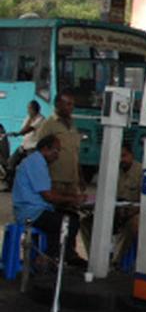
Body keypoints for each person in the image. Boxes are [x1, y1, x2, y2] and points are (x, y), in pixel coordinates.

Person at [12, 135, 85, 265]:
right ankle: (50, 257)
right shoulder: (37, 163)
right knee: (70, 221)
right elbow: (49, 196)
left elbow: (48, 190)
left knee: (67, 216)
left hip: (33, 209)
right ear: (45, 148)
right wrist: (72, 199)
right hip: (31, 213)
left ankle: (57, 254)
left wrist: (71, 197)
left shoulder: (35, 161)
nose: (57, 155)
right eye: (55, 151)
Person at [34, 92, 83, 195]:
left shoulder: (73, 125)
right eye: (68, 104)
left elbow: (75, 152)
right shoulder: (49, 124)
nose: (71, 107)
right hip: (56, 180)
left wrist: (80, 177)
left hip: (73, 180)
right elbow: (40, 152)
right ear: (58, 104)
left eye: (73, 104)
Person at [111, 144, 143, 265]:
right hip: (116, 211)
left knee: (132, 226)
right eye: (118, 156)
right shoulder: (113, 170)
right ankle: (97, 258)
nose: (121, 160)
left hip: (134, 212)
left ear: (132, 155)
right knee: (87, 223)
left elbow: (144, 202)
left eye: (124, 156)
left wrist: (130, 212)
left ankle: (115, 261)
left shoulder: (140, 172)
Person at [3, 100, 44, 191]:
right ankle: (9, 185)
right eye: (28, 108)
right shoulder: (28, 118)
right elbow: (24, 127)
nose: (28, 110)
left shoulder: (40, 119)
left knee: (31, 168)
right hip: (24, 145)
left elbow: (29, 129)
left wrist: (17, 134)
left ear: (35, 109)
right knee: (11, 162)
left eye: (29, 108)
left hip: (33, 147)